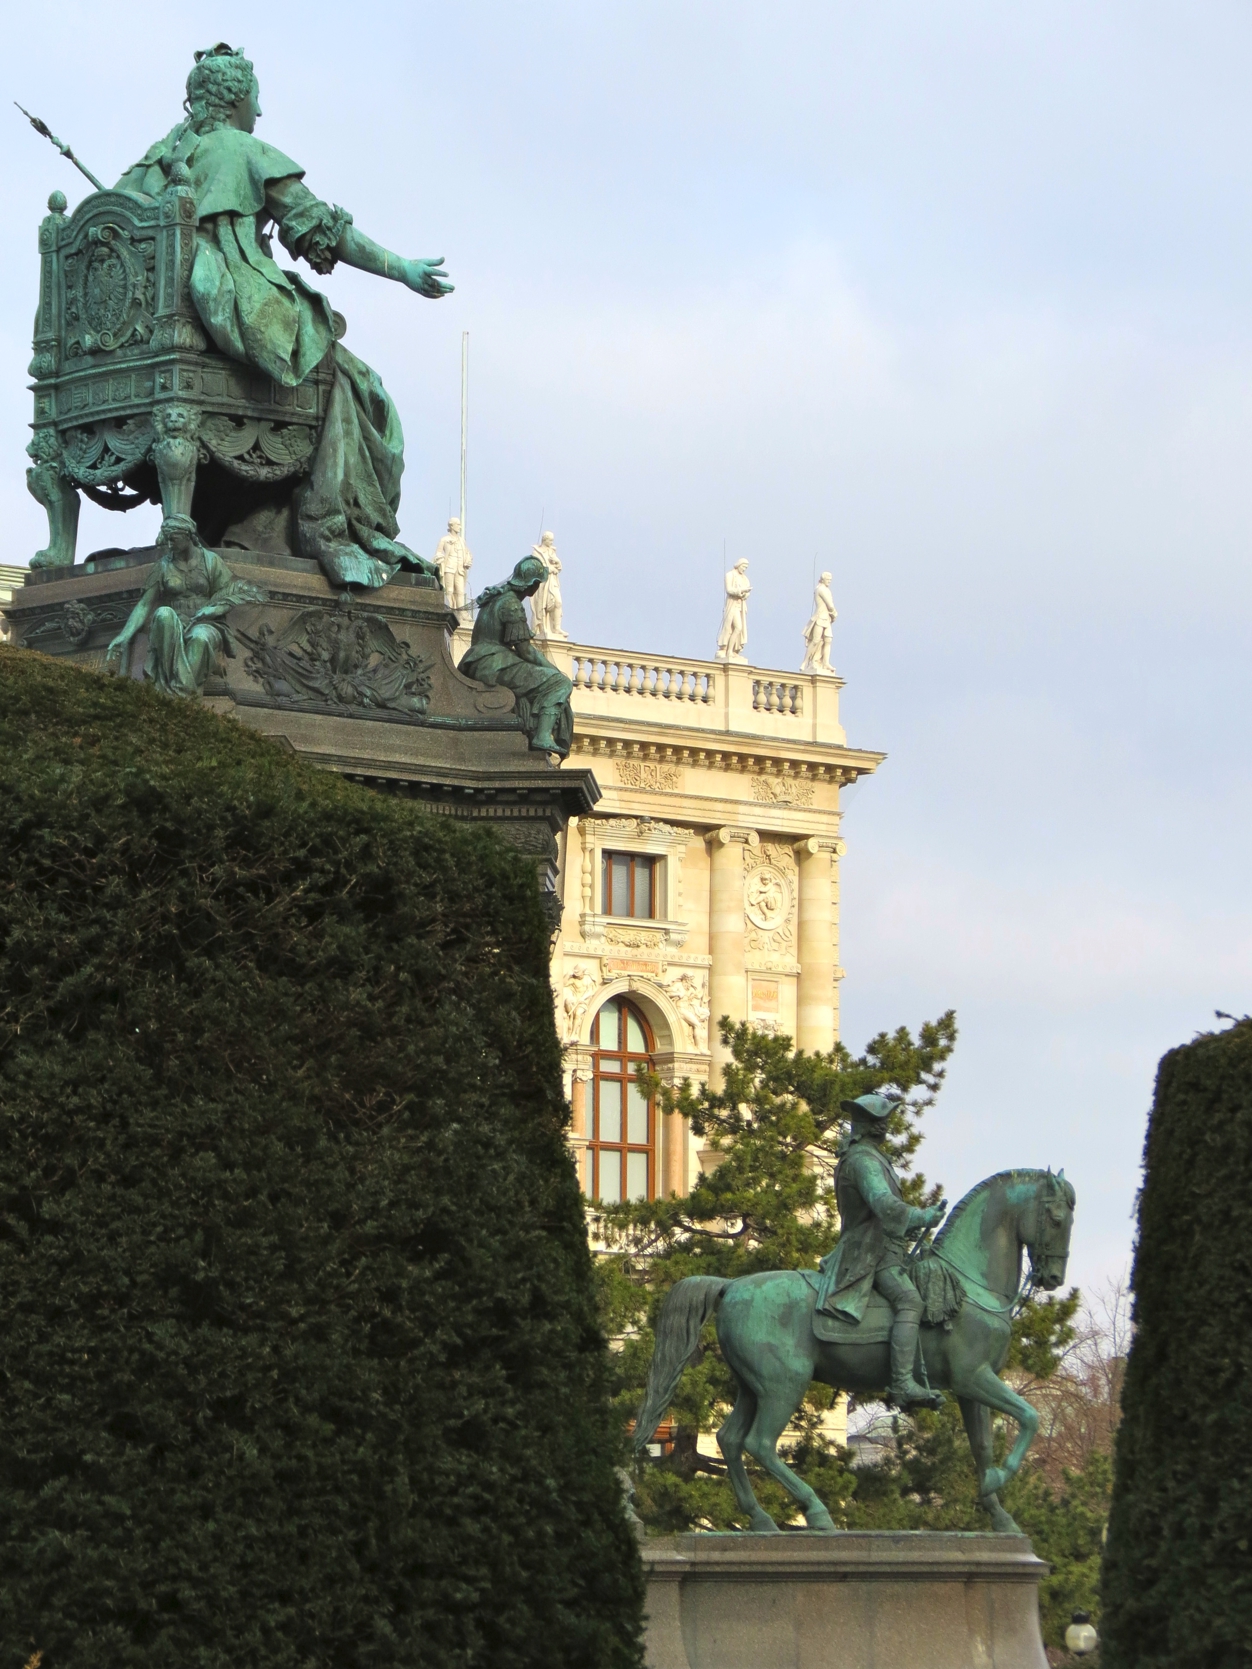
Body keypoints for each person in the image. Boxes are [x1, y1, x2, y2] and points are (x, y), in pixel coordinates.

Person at [115, 43, 452, 590]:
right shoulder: (240, 151)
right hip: (233, 311)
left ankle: (258, 524)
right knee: (355, 385)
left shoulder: (157, 160)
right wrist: (401, 268)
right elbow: (324, 229)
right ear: (234, 102)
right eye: (255, 98)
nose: (260, 112)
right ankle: (328, 527)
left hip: (139, 340)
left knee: (332, 368)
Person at [814, 1092, 946, 1411]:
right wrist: (921, 1216)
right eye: (882, 1120)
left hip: (884, 1248)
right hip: (870, 1254)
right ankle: (902, 1382)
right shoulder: (862, 1160)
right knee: (910, 1300)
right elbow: (884, 1205)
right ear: (872, 1126)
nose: (886, 1125)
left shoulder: (871, 1157)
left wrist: (916, 1221)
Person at [105, 514, 266, 695]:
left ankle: (177, 693)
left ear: (188, 536)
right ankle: (182, 694)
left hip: (207, 622)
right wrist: (124, 636)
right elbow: (144, 605)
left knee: (200, 638)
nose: (170, 545)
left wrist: (212, 610)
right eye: (167, 541)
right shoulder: (163, 566)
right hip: (175, 623)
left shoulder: (211, 561)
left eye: (173, 540)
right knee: (163, 614)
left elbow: (226, 598)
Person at [459, 557, 574, 756]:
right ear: (532, 585)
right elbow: (526, 651)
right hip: (493, 664)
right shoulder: (511, 605)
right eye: (538, 583)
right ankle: (542, 735)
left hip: (480, 660)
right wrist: (555, 672)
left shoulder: (495, 599)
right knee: (560, 684)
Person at [529, 532, 566, 640]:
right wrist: (548, 569)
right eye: (550, 540)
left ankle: (556, 628)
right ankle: (542, 628)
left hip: (552, 581)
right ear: (545, 540)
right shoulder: (537, 552)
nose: (552, 542)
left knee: (558, 602)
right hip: (542, 583)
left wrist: (557, 562)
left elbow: (559, 567)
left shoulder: (552, 551)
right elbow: (536, 567)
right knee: (542, 606)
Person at [433, 518, 473, 613]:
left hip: (459, 569)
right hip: (449, 568)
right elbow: (438, 553)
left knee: (460, 591)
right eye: (458, 524)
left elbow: (467, 553)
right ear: (451, 526)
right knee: (449, 590)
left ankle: (461, 612)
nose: (460, 527)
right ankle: (449, 609)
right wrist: (441, 559)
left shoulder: (462, 541)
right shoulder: (444, 539)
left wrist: (467, 561)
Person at [801, 572, 837, 674]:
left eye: (830, 579)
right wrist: (834, 613)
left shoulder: (827, 590)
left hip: (827, 618)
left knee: (828, 640)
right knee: (816, 640)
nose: (829, 581)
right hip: (820, 617)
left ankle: (825, 662)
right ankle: (805, 662)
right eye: (828, 579)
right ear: (823, 579)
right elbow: (830, 605)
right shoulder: (820, 589)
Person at [716, 559, 750, 660]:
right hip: (732, 604)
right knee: (733, 627)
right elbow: (729, 589)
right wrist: (740, 591)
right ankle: (727, 649)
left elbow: (747, 592)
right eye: (744, 567)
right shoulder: (730, 575)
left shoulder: (744, 578)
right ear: (739, 565)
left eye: (746, 568)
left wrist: (745, 594)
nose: (744, 569)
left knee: (739, 628)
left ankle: (732, 650)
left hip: (740, 606)